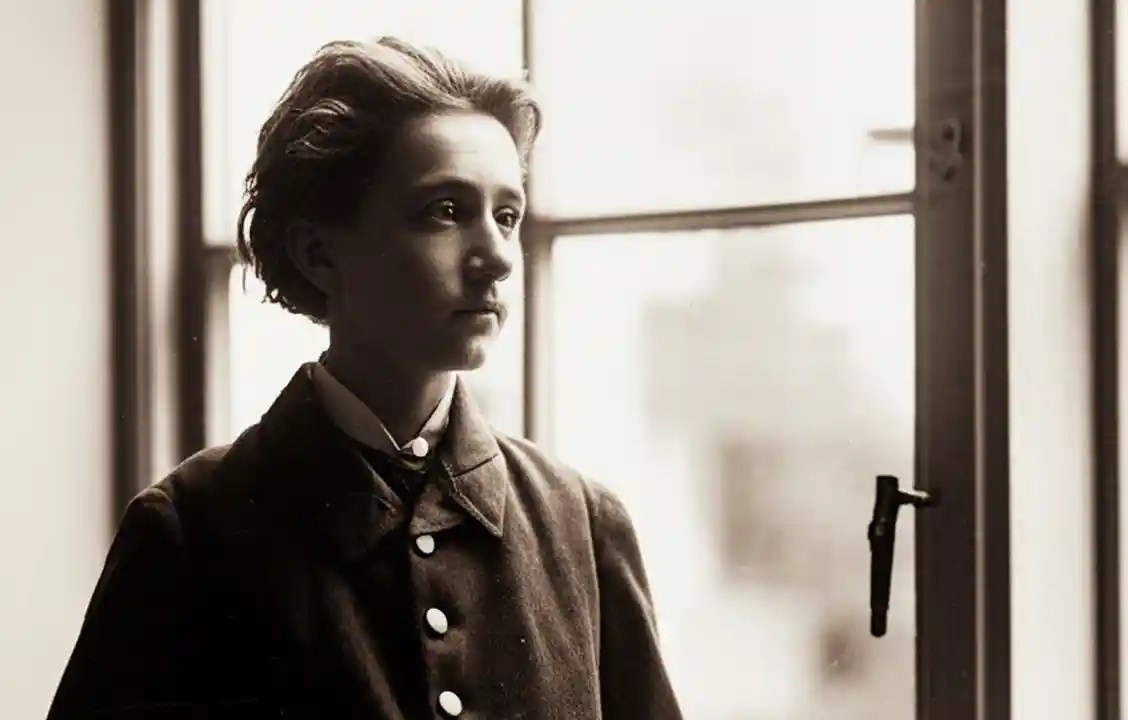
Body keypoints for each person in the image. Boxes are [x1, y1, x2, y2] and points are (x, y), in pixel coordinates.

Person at [47, 36, 683, 720]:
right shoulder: (193, 534)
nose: (497, 258)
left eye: (507, 216)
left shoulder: (584, 526)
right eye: (445, 211)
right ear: (318, 252)